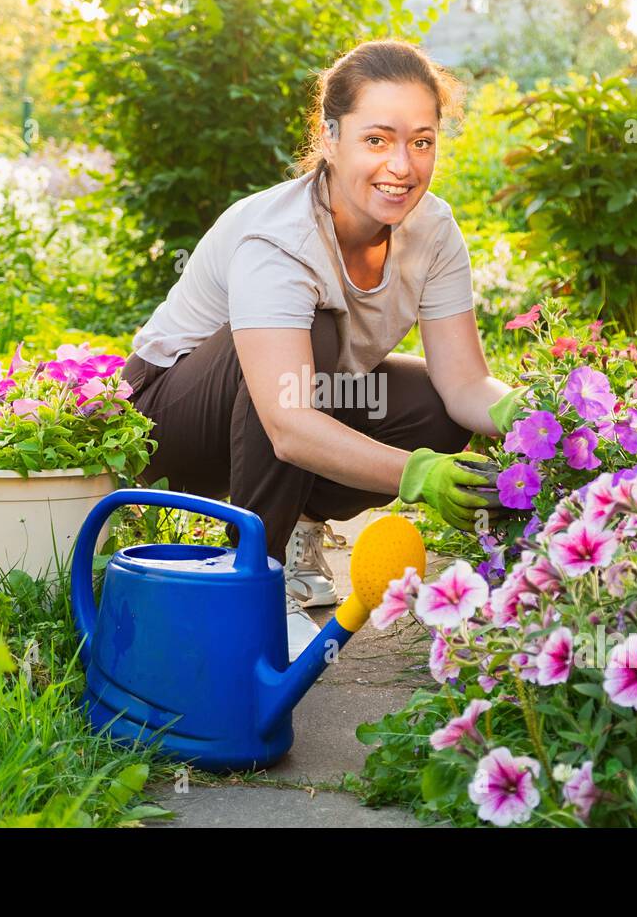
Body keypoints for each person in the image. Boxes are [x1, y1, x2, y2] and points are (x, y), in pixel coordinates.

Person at [123, 39, 529, 662]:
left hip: (306, 396)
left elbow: (465, 382)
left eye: (422, 141)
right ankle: (255, 575)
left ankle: (302, 520)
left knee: (434, 409)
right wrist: (418, 475)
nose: (402, 164)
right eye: (377, 139)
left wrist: (527, 416)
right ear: (331, 136)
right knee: (311, 335)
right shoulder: (280, 238)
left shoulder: (434, 228)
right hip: (170, 423)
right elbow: (287, 424)